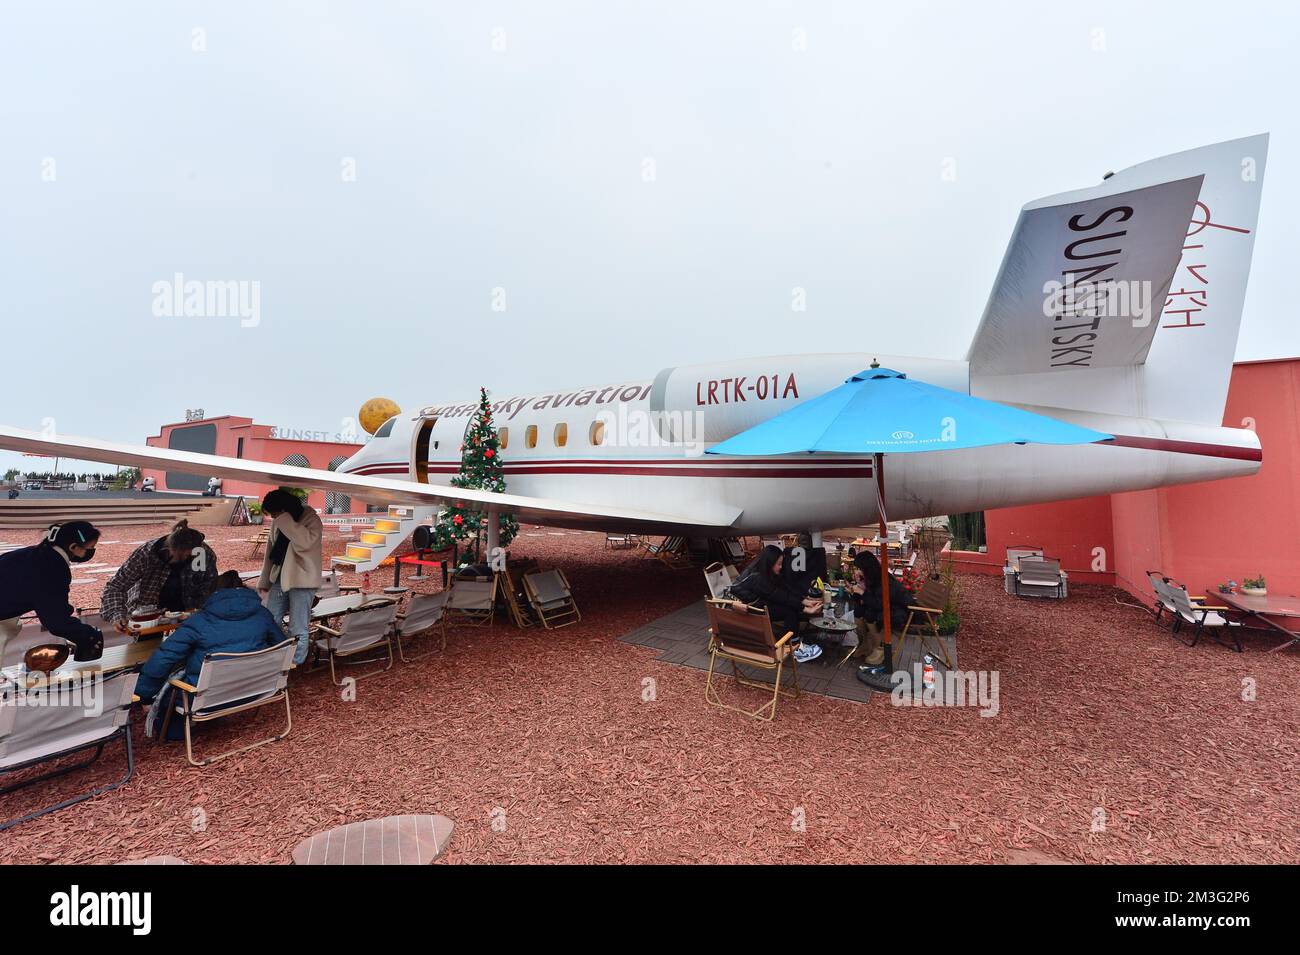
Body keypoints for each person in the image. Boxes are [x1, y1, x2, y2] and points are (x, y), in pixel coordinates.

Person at [135, 571, 288, 740]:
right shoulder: (262, 615)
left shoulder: (200, 620)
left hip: (206, 698)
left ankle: (173, 731)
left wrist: (144, 693)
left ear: (213, 593)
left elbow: (165, 656)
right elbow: (282, 646)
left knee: (170, 690)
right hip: (256, 690)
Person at [0, 521, 104, 663]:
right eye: (90, 547)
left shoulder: (32, 554)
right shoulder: (53, 567)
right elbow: (56, 620)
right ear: (73, 547)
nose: (91, 551)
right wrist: (88, 635)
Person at [100, 520, 218, 631]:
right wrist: (117, 614)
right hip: (148, 609)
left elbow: (209, 586)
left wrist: (203, 611)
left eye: (191, 555)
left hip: (188, 607)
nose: (188, 559)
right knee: (147, 647)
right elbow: (116, 586)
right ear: (167, 550)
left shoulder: (202, 554)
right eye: (183, 556)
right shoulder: (146, 553)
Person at [257, 489, 323, 665]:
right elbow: (270, 552)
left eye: (275, 513)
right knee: (271, 620)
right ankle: (276, 658)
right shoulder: (279, 521)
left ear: (285, 509)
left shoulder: (311, 519)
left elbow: (305, 544)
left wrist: (285, 520)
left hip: (303, 580)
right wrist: (264, 581)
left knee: (298, 625)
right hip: (278, 577)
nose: (273, 517)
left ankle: (295, 663)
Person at [728, 544, 825, 663]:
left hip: (755, 603)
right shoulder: (757, 578)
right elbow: (779, 595)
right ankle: (795, 648)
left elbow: (784, 588)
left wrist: (804, 601)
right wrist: (804, 609)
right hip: (744, 610)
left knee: (789, 605)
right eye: (778, 564)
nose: (780, 567)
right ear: (769, 563)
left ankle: (794, 642)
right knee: (789, 610)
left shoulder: (764, 570)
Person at [849, 550, 914, 672]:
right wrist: (856, 590)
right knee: (858, 611)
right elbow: (868, 600)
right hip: (885, 607)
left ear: (867, 568)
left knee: (870, 613)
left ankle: (880, 648)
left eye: (859, 568)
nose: (857, 571)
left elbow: (879, 604)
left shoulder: (884, 580)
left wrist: (862, 592)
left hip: (899, 610)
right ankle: (864, 644)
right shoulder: (871, 577)